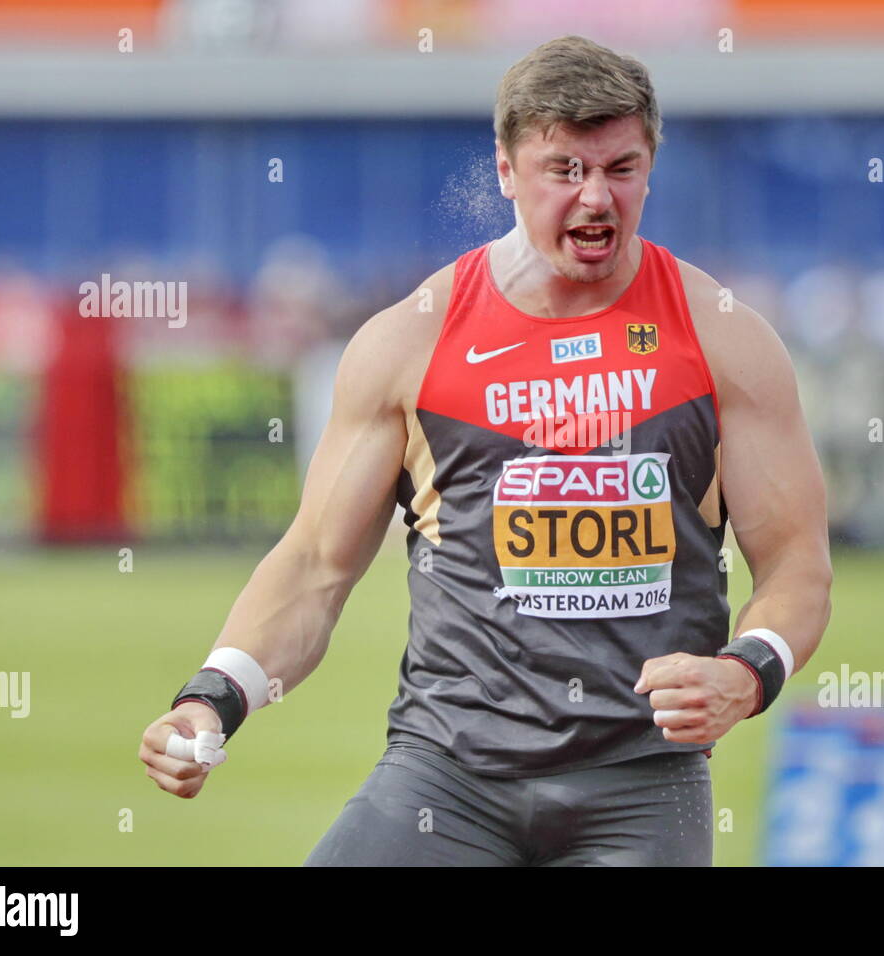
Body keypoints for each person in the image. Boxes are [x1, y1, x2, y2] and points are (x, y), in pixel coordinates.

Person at [138, 34, 832, 866]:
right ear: (505, 169)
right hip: (446, 778)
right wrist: (212, 700)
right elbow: (315, 568)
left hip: (640, 786)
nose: (597, 199)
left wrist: (746, 673)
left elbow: (797, 564)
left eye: (621, 168)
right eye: (565, 169)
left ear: (651, 165)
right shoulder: (410, 342)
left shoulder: (723, 341)